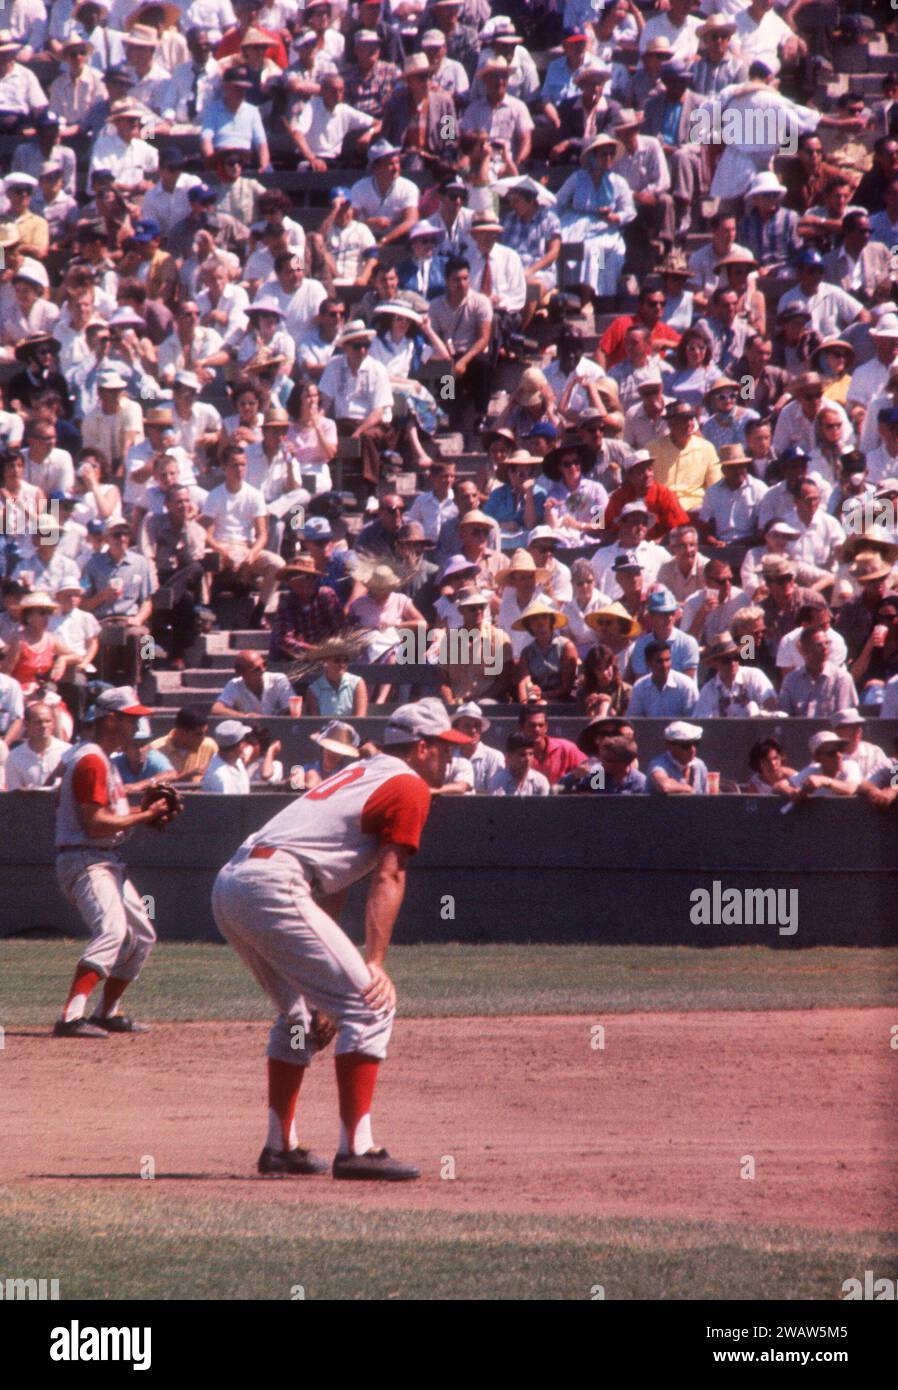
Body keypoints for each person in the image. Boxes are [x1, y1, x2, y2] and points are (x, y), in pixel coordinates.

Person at [211, 697, 473, 1179]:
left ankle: (280, 1147)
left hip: (234, 882)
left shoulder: (365, 773)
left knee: (299, 1015)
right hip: (277, 884)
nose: (450, 757)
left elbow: (330, 888)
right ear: (420, 748)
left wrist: (325, 991)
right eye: (443, 747)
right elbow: (389, 877)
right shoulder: (409, 785)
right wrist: (373, 962)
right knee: (371, 1005)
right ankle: (357, 1149)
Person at [52, 686, 172, 1039]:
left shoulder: (103, 760)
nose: (136, 727)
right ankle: (71, 1017)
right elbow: (95, 822)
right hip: (86, 860)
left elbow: (103, 816)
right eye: (130, 719)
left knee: (141, 935)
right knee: (112, 932)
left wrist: (143, 814)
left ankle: (106, 1012)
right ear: (110, 719)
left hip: (102, 859)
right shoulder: (91, 759)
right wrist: (145, 814)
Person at [4, 701, 71, 790]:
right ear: (26, 724)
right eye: (38, 722)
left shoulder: (67, 752)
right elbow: (15, 795)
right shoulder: (15, 757)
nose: (44, 725)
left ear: (54, 723)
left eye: (48, 721)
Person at [147, 705, 217, 784]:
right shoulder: (155, 750)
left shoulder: (210, 746)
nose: (203, 738)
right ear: (181, 732)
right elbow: (149, 784)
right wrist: (185, 776)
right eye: (198, 734)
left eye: (205, 733)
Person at [212, 649, 294, 717]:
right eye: (257, 669)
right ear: (241, 673)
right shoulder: (235, 684)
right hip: (249, 733)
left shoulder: (279, 679)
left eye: (264, 665)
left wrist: (262, 719)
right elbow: (216, 709)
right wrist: (245, 717)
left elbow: (292, 711)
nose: (263, 670)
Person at [628, 640, 698, 718]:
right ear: (648, 662)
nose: (664, 666)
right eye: (659, 661)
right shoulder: (639, 687)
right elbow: (635, 719)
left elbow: (694, 718)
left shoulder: (686, 686)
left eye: (667, 660)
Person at [789, 730, 861, 800]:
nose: (839, 755)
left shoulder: (851, 766)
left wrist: (824, 781)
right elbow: (781, 785)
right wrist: (793, 792)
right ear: (817, 758)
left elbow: (850, 788)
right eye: (832, 753)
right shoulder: (812, 769)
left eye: (840, 749)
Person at [647, 719, 709, 795]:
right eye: (686, 745)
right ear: (670, 746)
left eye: (696, 743)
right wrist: (690, 790)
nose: (693, 749)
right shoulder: (658, 764)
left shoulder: (700, 765)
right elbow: (664, 786)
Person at [301, 720, 362, 792]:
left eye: (337, 751)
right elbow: (290, 785)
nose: (332, 754)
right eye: (330, 749)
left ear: (342, 754)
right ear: (323, 747)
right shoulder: (307, 768)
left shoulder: (346, 774)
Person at [488, 731, 550, 796]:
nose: (528, 759)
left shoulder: (540, 781)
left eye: (531, 754)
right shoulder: (498, 781)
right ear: (509, 756)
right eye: (522, 755)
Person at [201, 719, 253, 792]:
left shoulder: (236, 760)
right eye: (244, 740)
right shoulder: (221, 777)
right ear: (238, 746)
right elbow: (229, 803)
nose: (247, 744)